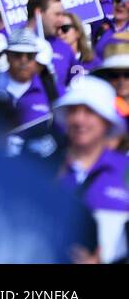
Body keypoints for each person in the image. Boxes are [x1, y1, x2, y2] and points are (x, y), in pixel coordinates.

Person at [54, 76, 129, 262]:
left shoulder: (126, 171)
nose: (79, 120)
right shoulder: (44, 161)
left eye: (89, 112)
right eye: (73, 110)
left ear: (107, 122)